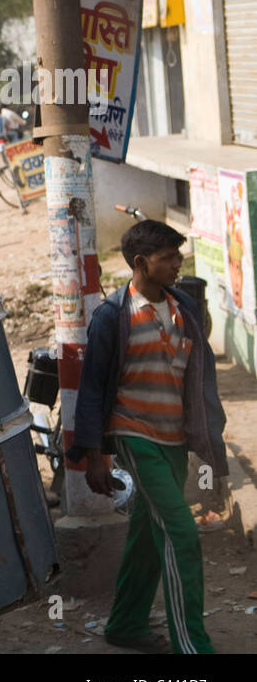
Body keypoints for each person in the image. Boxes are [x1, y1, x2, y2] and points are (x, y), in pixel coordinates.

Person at [69, 220, 226, 654]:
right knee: (180, 533)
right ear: (141, 263)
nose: (178, 264)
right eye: (168, 258)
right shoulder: (112, 316)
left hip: (174, 440)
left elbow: (200, 379)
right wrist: (95, 456)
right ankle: (192, 646)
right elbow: (94, 387)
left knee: (146, 538)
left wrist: (211, 441)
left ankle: (124, 625)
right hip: (133, 434)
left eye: (179, 256)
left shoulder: (184, 310)